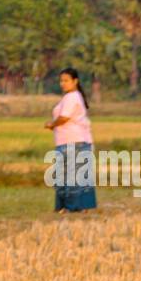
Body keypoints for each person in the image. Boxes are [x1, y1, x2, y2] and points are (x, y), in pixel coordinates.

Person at [45, 67, 96, 212]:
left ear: (75, 81)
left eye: (66, 80)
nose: (63, 84)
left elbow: (64, 118)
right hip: (72, 140)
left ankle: (72, 207)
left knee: (69, 176)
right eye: (61, 81)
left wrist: (51, 124)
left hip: (72, 140)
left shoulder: (72, 97)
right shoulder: (73, 96)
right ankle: (80, 207)